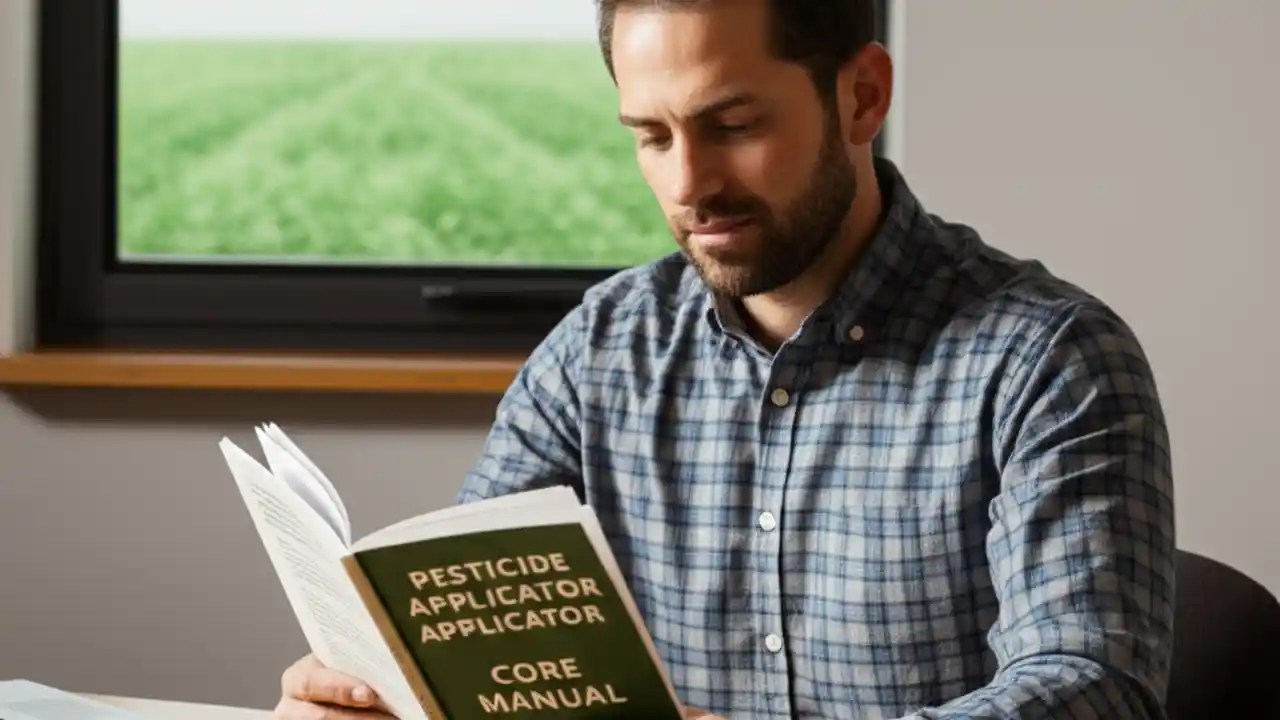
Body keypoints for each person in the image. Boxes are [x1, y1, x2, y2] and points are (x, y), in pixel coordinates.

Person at [272, 0, 1175, 718]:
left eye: (733, 123)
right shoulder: (600, 351)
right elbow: (465, 640)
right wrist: (380, 693)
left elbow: (1089, 690)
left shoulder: (1048, 360)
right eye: (651, 136)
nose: (686, 185)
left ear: (862, 96)